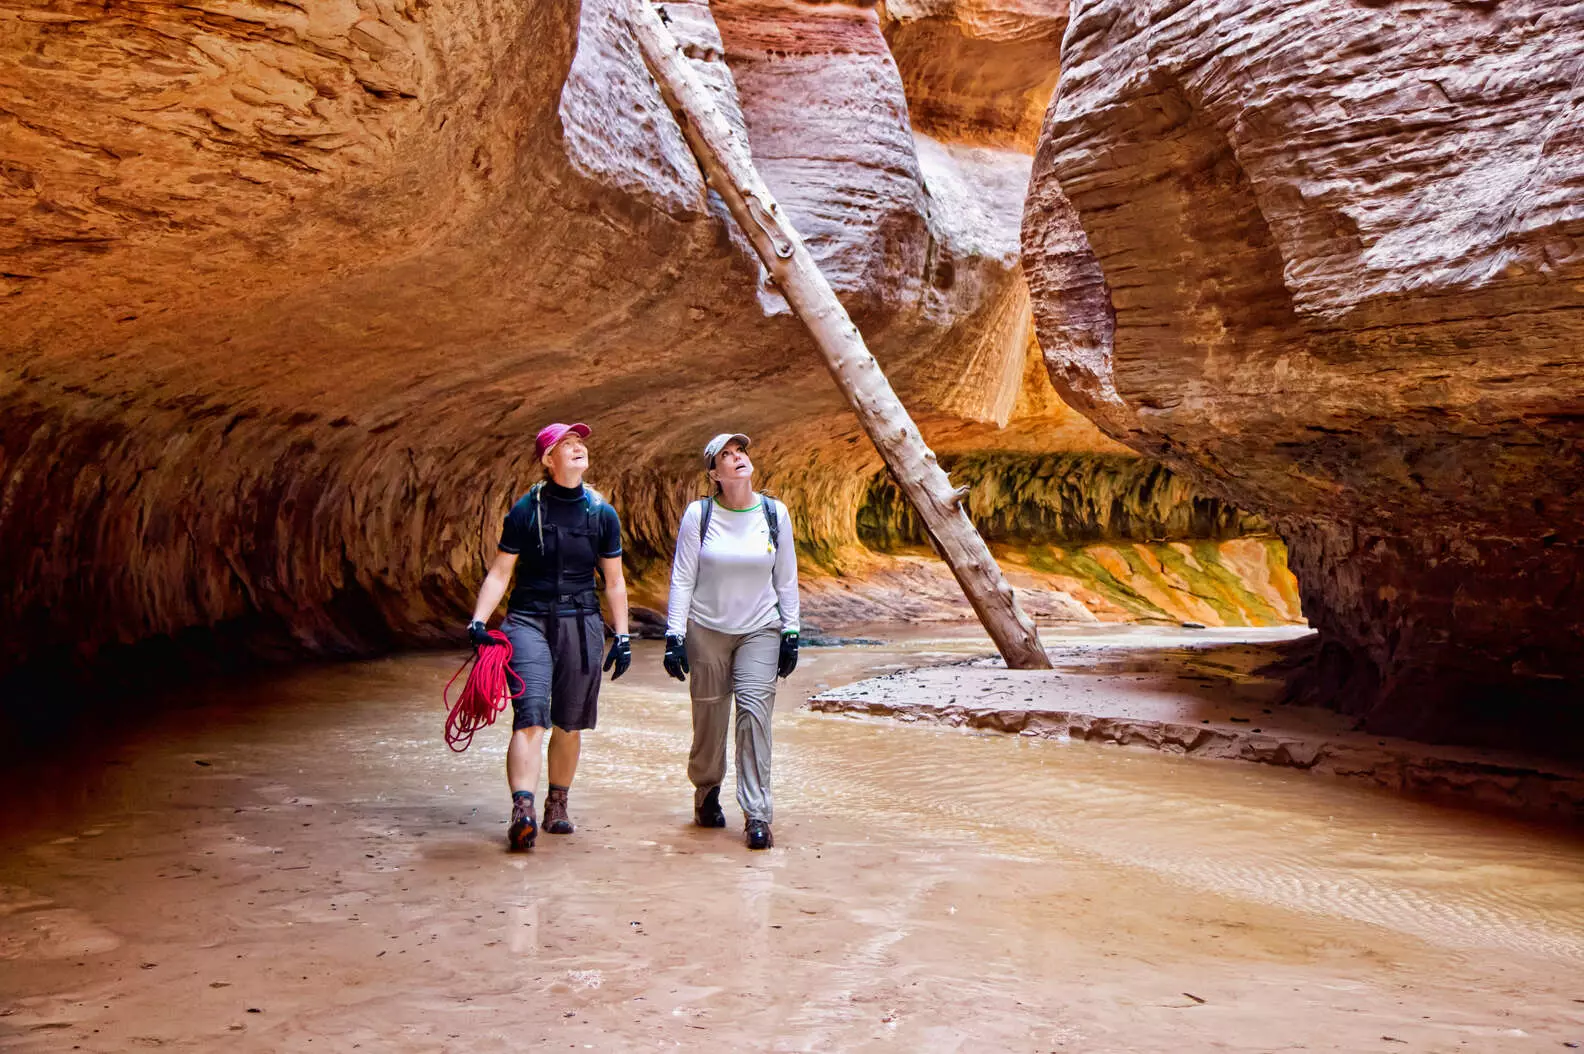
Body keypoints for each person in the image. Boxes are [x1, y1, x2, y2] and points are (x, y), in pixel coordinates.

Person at [467, 422, 631, 851]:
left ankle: (557, 803)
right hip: (527, 621)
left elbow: (614, 581)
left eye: (580, 443)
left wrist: (625, 635)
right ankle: (523, 810)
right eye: (566, 445)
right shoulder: (526, 510)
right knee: (531, 714)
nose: (577, 448)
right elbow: (502, 571)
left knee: (570, 722)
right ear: (548, 460)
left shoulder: (601, 513)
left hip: (581, 621)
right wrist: (479, 621)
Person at [663, 432, 799, 850]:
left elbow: (787, 577)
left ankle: (757, 814)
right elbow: (683, 576)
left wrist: (791, 630)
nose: (738, 458)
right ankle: (706, 792)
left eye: (741, 451)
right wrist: (674, 633)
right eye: (726, 455)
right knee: (709, 719)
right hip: (707, 629)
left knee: (754, 718)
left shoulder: (775, 514)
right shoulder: (699, 515)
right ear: (714, 473)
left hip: (761, 628)